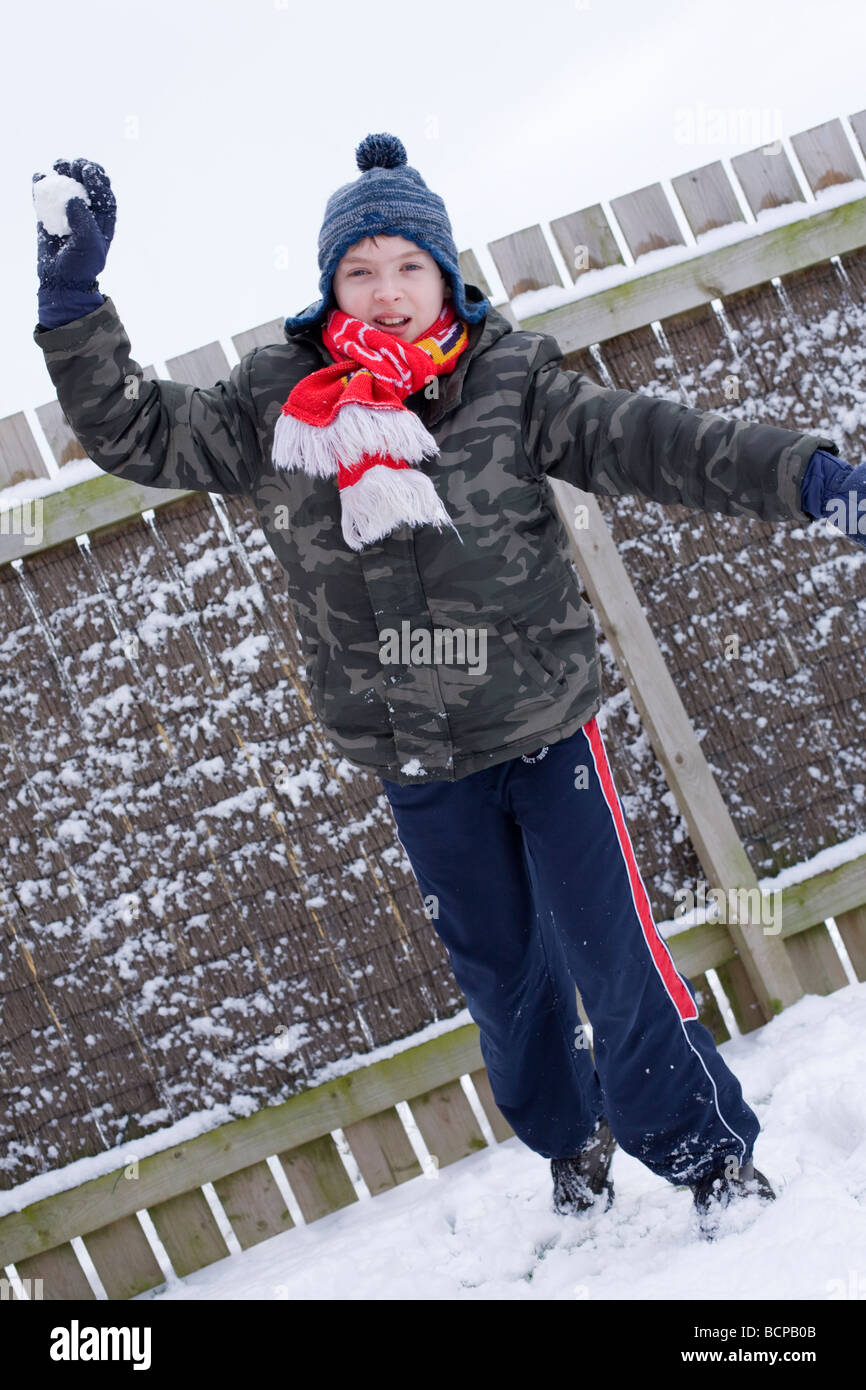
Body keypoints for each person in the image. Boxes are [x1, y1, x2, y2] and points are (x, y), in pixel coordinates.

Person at [31, 135, 866, 1241]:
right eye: (358, 272)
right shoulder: (276, 403)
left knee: (614, 959)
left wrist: (812, 479)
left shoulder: (507, 379)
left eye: (405, 268)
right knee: (506, 988)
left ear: (444, 275)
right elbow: (135, 426)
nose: (383, 294)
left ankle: (710, 1161)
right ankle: (570, 1153)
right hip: (416, 759)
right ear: (330, 285)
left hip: (541, 730)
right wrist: (72, 296)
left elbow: (655, 441)